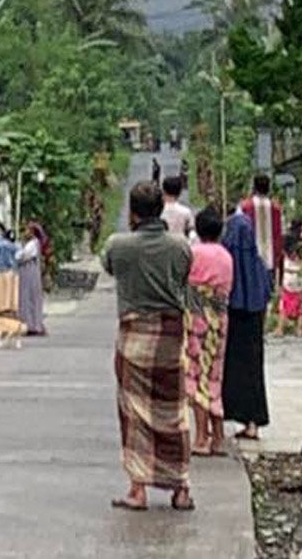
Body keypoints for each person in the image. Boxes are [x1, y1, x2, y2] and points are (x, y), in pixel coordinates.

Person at [103, 180, 193, 512]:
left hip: (133, 334)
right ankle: (181, 487)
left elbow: (109, 266)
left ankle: (138, 489)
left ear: (133, 212)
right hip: (170, 335)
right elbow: (184, 277)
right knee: (173, 410)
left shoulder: (118, 245)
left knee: (134, 412)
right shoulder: (180, 246)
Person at [222, 195, 273, 441]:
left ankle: (234, 418)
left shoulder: (228, 260)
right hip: (253, 322)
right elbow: (266, 292)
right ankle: (253, 422)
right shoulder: (259, 266)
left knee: (232, 371)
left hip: (233, 320)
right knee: (254, 372)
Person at [185, 206, 233, 457]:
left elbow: (185, 286)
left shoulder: (193, 254)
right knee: (215, 375)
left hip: (196, 321)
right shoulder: (227, 257)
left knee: (196, 375)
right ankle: (219, 436)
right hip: (220, 321)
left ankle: (201, 435)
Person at [0, 224, 24, 349]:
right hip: (13, 275)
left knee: (1, 305)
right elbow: (20, 258)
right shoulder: (16, 246)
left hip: (1, 274)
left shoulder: (0, 245)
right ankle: (16, 337)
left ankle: (1, 334)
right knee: (13, 305)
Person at [18, 221, 49, 337]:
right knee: (30, 297)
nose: (24, 233)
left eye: (26, 230)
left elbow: (22, 256)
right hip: (29, 272)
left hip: (29, 272)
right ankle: (32, 323)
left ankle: (32, 325)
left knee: (29, 297)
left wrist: (17, 253)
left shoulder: (32, 244)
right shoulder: (31, 243)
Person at [161, 175, 196, 244]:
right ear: (179, 192)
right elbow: (192, 232)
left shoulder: (158, 211)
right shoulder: (186, 212)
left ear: (164, 190)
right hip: (180, 244)